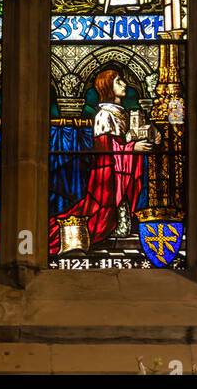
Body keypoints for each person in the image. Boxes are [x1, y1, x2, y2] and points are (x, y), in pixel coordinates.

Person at [51, 67, 156, 252]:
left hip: (121, 169)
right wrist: (132, 148)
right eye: (118, 81)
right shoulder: (104, 115)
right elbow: (107, 150)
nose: (124, 84)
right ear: (108, 87)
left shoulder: (122, 113)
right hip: (109, 174)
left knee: (123, 219)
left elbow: (124, 140)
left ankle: (119, 224)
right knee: (104, 217)